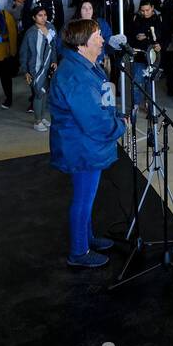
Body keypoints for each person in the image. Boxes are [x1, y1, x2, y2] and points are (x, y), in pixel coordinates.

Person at [49, 19, 127, 268]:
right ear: (82, 44)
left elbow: (104, 98)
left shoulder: (87, 66)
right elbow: (94, 120)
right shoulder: (76, 76)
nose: (103, 40)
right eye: (97, 36)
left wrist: (114, 115)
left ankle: (88, 237)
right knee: (83, 198)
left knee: (88, 197)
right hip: (81, 145)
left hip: (86, 143)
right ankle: (79, 252)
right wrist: (120, 125)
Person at [19, 4, 59, 132]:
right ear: (34, 17)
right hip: (35, 68)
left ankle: (42, 117)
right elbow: (24, 52)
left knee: (45, 92)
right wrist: (25, 71)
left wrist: (54, 61)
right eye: (40, 16)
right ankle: (37, 121)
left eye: (45, 15)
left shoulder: (50, 27)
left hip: (48, 66)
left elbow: (53, 46)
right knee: (38, 93)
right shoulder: (30, 33)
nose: (43, 18)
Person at [127, 0, 163, 112]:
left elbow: (162, 35)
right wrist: (135, 40)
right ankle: (136, 105)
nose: (145, 13)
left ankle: (150, 105)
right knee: (137, 81)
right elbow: (130, 35)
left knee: (150, 82)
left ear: (152, 8)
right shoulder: (136, 18)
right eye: (142, 11)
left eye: (147, 10)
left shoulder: (158, 19)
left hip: (152, 57)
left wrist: (158, 43)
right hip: (138, 56)